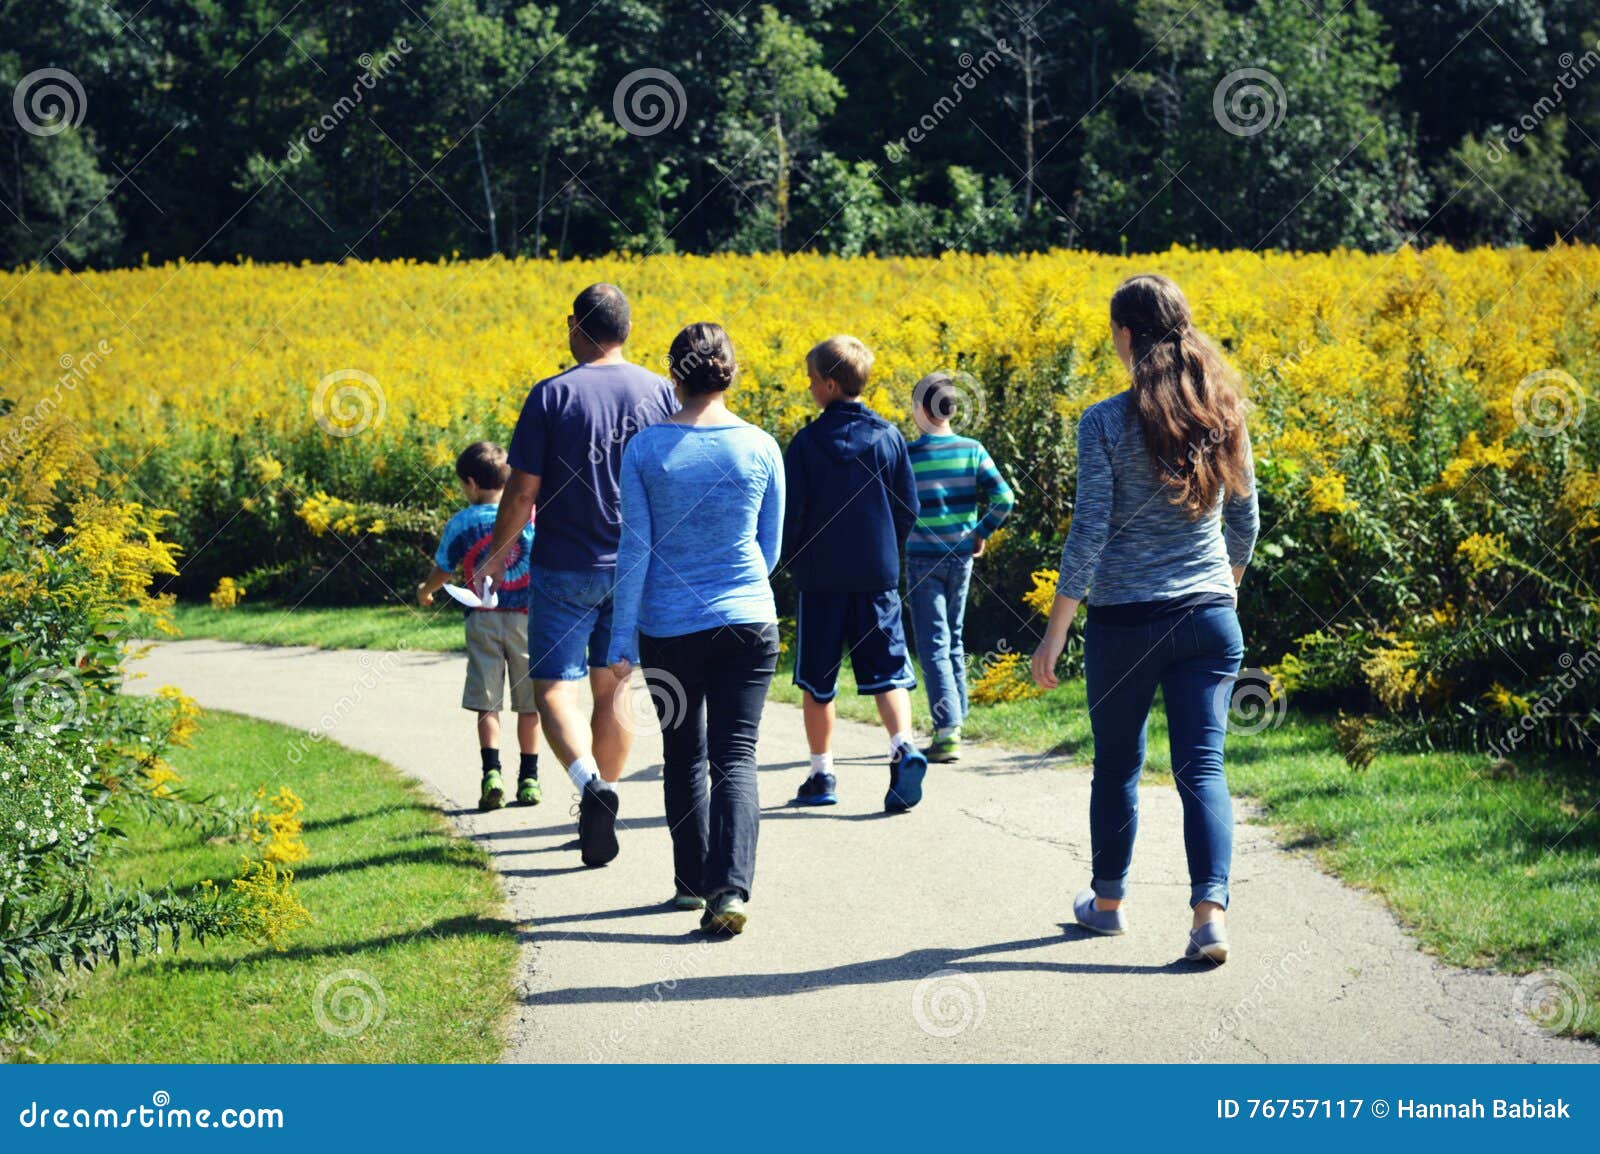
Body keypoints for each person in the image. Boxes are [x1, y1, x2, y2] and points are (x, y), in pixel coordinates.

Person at [1030, 273, 1258, 965]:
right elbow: (1245, 517)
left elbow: (1090, 531)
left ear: (1125, 335)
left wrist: (1056, 629)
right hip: (1209, 618)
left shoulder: (1103, 420)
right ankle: (1208, 917)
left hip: (1127, 620)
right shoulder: (1222, 409)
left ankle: (1107, 904)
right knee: (1203, 768)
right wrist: (1227, 587)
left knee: (1118, 765)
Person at [481, 284, 677, 867]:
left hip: (565, 565)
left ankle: (592, 786)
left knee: (552, 689)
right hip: (635, 565)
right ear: (628, 328)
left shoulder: (551, 395)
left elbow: (520, 492)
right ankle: (606, 795)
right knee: (614, 688)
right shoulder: (662, 392)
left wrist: (496, 553)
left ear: (574, 326)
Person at [606, 323, 784, 936]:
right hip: (748, 621)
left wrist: (620, 638)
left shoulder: (645, 449)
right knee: (737, 755)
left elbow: (635, 549)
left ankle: (690, 884)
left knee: (683, 752)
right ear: (730, 372)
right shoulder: (761, 445)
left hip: (668, 626)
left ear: (673, 375)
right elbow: (771, 546)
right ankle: (730, 891)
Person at [781, 335, 928, 813]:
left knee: (817, 681)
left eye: (810, 379)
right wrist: (885, 547)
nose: (807, 387)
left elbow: (791, 514)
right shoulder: (888, 438)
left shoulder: (805, 443)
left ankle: (821, 775)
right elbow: (909, 507)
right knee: (889, 673)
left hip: (820, 580)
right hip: (876, 577)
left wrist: (791, 558)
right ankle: (903, 746)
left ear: (827, 384)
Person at [417, 442, 542, 811]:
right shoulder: (530, 515)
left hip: (481, 620)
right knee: (530, 705)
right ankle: (530, 780)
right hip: (526, 620)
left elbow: (445, 566)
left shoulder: (462, 523)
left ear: (471, 483)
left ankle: (492, 774)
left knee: (488, 703)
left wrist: (427, 590)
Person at [904, 373, 1015, 763]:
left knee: (933, 643)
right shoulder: (973, 450)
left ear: (920, 409)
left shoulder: (908, 454)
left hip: (921, 558)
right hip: (960, 556)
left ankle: (946, 731)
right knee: (953, 637)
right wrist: (979, 532)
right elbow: (1004, 498)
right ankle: (959, 713)